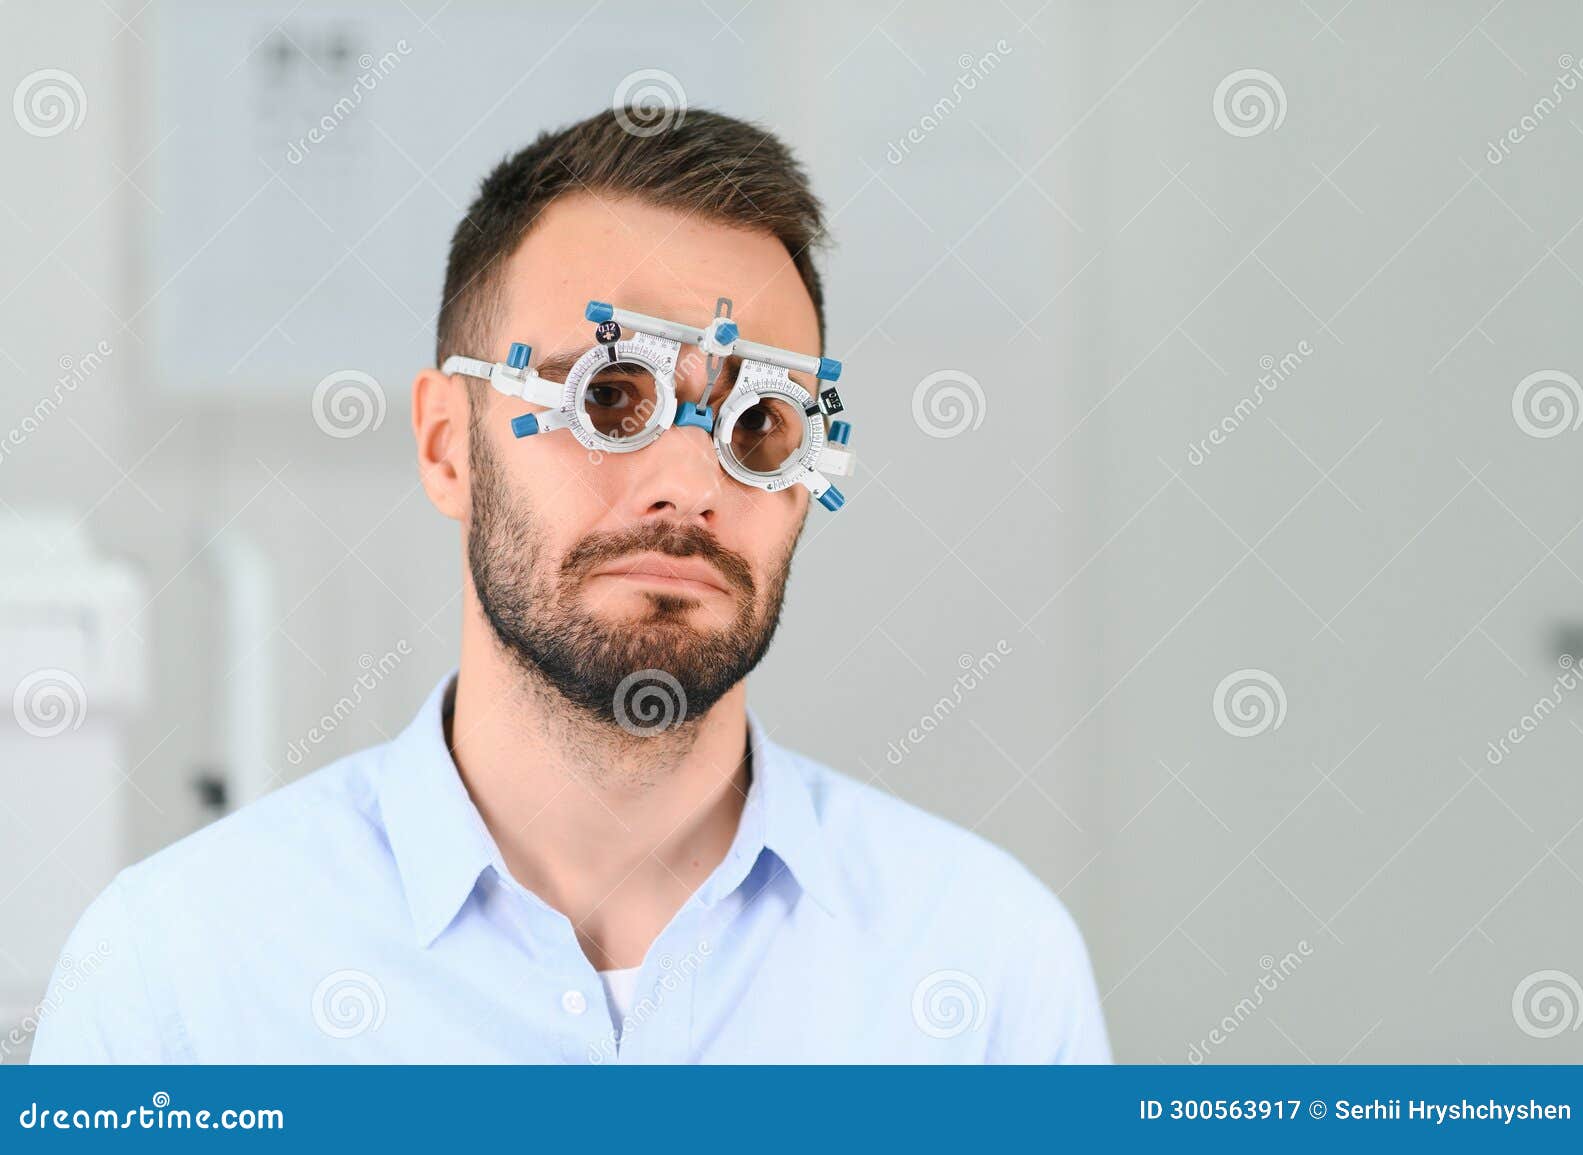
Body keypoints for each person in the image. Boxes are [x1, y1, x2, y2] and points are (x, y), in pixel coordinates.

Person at [30, 107, 1110, 1063]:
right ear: (447, 444)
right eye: (610, 398)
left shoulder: (983, 970)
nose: (690, 485)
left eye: (761, 423)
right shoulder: (179, 975)